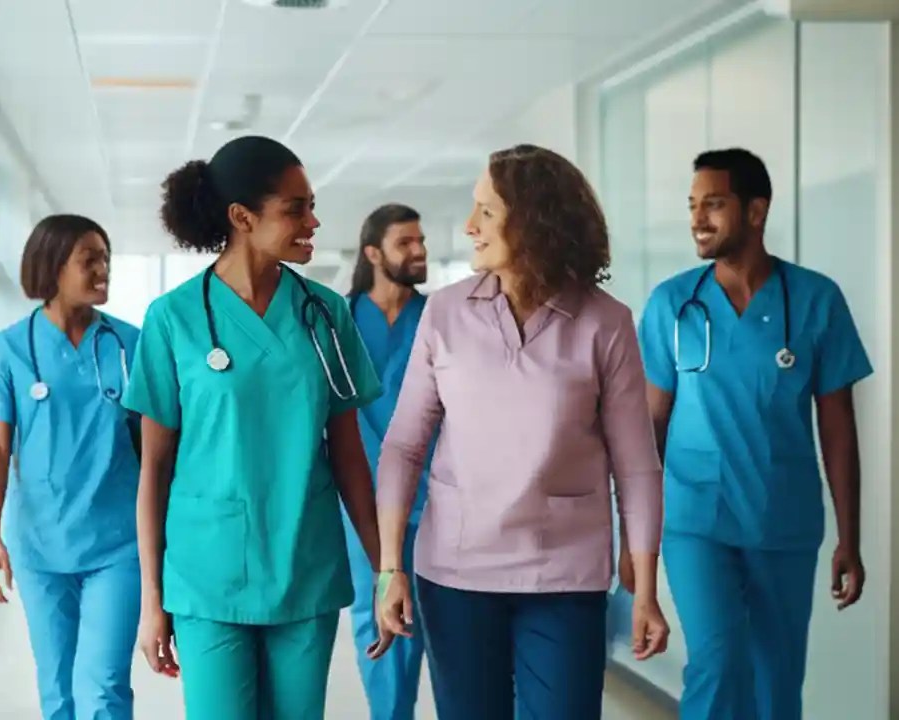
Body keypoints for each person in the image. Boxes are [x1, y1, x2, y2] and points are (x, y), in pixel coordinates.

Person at [374, 144, 670, 720]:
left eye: (487, 210)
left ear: (533, 219)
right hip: (457, 573)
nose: (469, 226)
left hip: (564, 574)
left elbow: (636, 463)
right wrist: (391, 566)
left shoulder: (605, 323)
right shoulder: (445, 314)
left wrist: (647, 588)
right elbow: (405, 446)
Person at [125, 135, 389, 719]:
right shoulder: (172, 319)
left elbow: (349, 454)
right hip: (206, 574)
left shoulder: (326, 314)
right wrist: (151, 598)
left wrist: (385, 566)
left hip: (304, 565)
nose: (313, 221)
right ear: (242, 217)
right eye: (296, 208)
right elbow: (155, 470)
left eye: (311, 205)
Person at [637, 148, 871, 720]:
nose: (698, 219)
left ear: (756, 211)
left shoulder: (816, 299)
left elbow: (838, 428)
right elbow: (649, 429)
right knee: (717, 663)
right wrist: (633, 537)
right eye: (693, 205)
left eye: (713, 204)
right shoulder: (673, 303)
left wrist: (850, 536)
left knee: (777, 678)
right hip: (695, 520)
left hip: (782, 519)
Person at [0, 214, 142, 720]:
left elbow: (155, 449)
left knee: (105, 686)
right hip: (40, 544)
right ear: (53, 267)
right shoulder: (9, 349)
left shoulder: (129, 345)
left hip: (120, 542)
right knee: (59, 690)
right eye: (89, 260)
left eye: (106, 258)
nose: (103, 269)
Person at [342, 203, 437, 720]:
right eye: (406, 242)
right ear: (373, 253)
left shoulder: (439, 318)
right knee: (380, 617)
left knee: (440, 623)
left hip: (437, 496)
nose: (419, 250)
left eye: (420, 240)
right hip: (363, 502)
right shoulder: (338, 319)